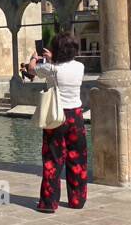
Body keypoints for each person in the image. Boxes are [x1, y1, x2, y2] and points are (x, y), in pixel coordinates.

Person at [26, 31, 88, 213]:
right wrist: (54, 59)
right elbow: (65, 66)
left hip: (56, 117)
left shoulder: (51, 69)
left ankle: (49, 203)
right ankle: (77, 200)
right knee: (77, 158)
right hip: (76, 116)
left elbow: (31, 70)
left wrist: (35, 58)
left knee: (53, 159)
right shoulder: (80, 67)